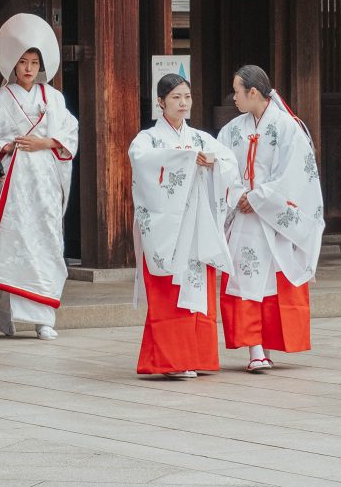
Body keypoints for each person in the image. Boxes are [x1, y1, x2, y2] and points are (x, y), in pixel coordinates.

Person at [218, 64, 326, 373]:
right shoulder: (233, 130)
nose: (233, 97)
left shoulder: (288, 127)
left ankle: (266, 344)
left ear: (253, 92)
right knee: (248, 280)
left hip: (275, 219)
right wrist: (239, 194)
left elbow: (294, 176)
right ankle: (255, 349)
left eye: (237, 91)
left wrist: (257, 197)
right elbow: (224, 168)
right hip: (245, 218)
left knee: (273, 282)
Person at [128, 74, 235, 378]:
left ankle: (196, 357)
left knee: (197, 290)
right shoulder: (147, 139)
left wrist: (211, 162)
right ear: (160, 102)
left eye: (187, 96)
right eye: (176, 97)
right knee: (167, 293)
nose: (183, 103)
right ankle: (171, 360)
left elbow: (227, 161)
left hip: (197, 227)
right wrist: (187, 159)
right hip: (166, 229)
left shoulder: (200, 137)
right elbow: (141, 161)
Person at [0, 14, 78, 340]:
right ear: (13, 64)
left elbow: (70, 133)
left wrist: (46, 142)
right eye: (22, 61)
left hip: (45, 183)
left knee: (45, 243)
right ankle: (6, 311)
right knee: (14, 242)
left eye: (34, 62)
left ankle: (43, 319)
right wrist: (6, 145)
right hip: (13, 184)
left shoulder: (54, 98)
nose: (28, 68)